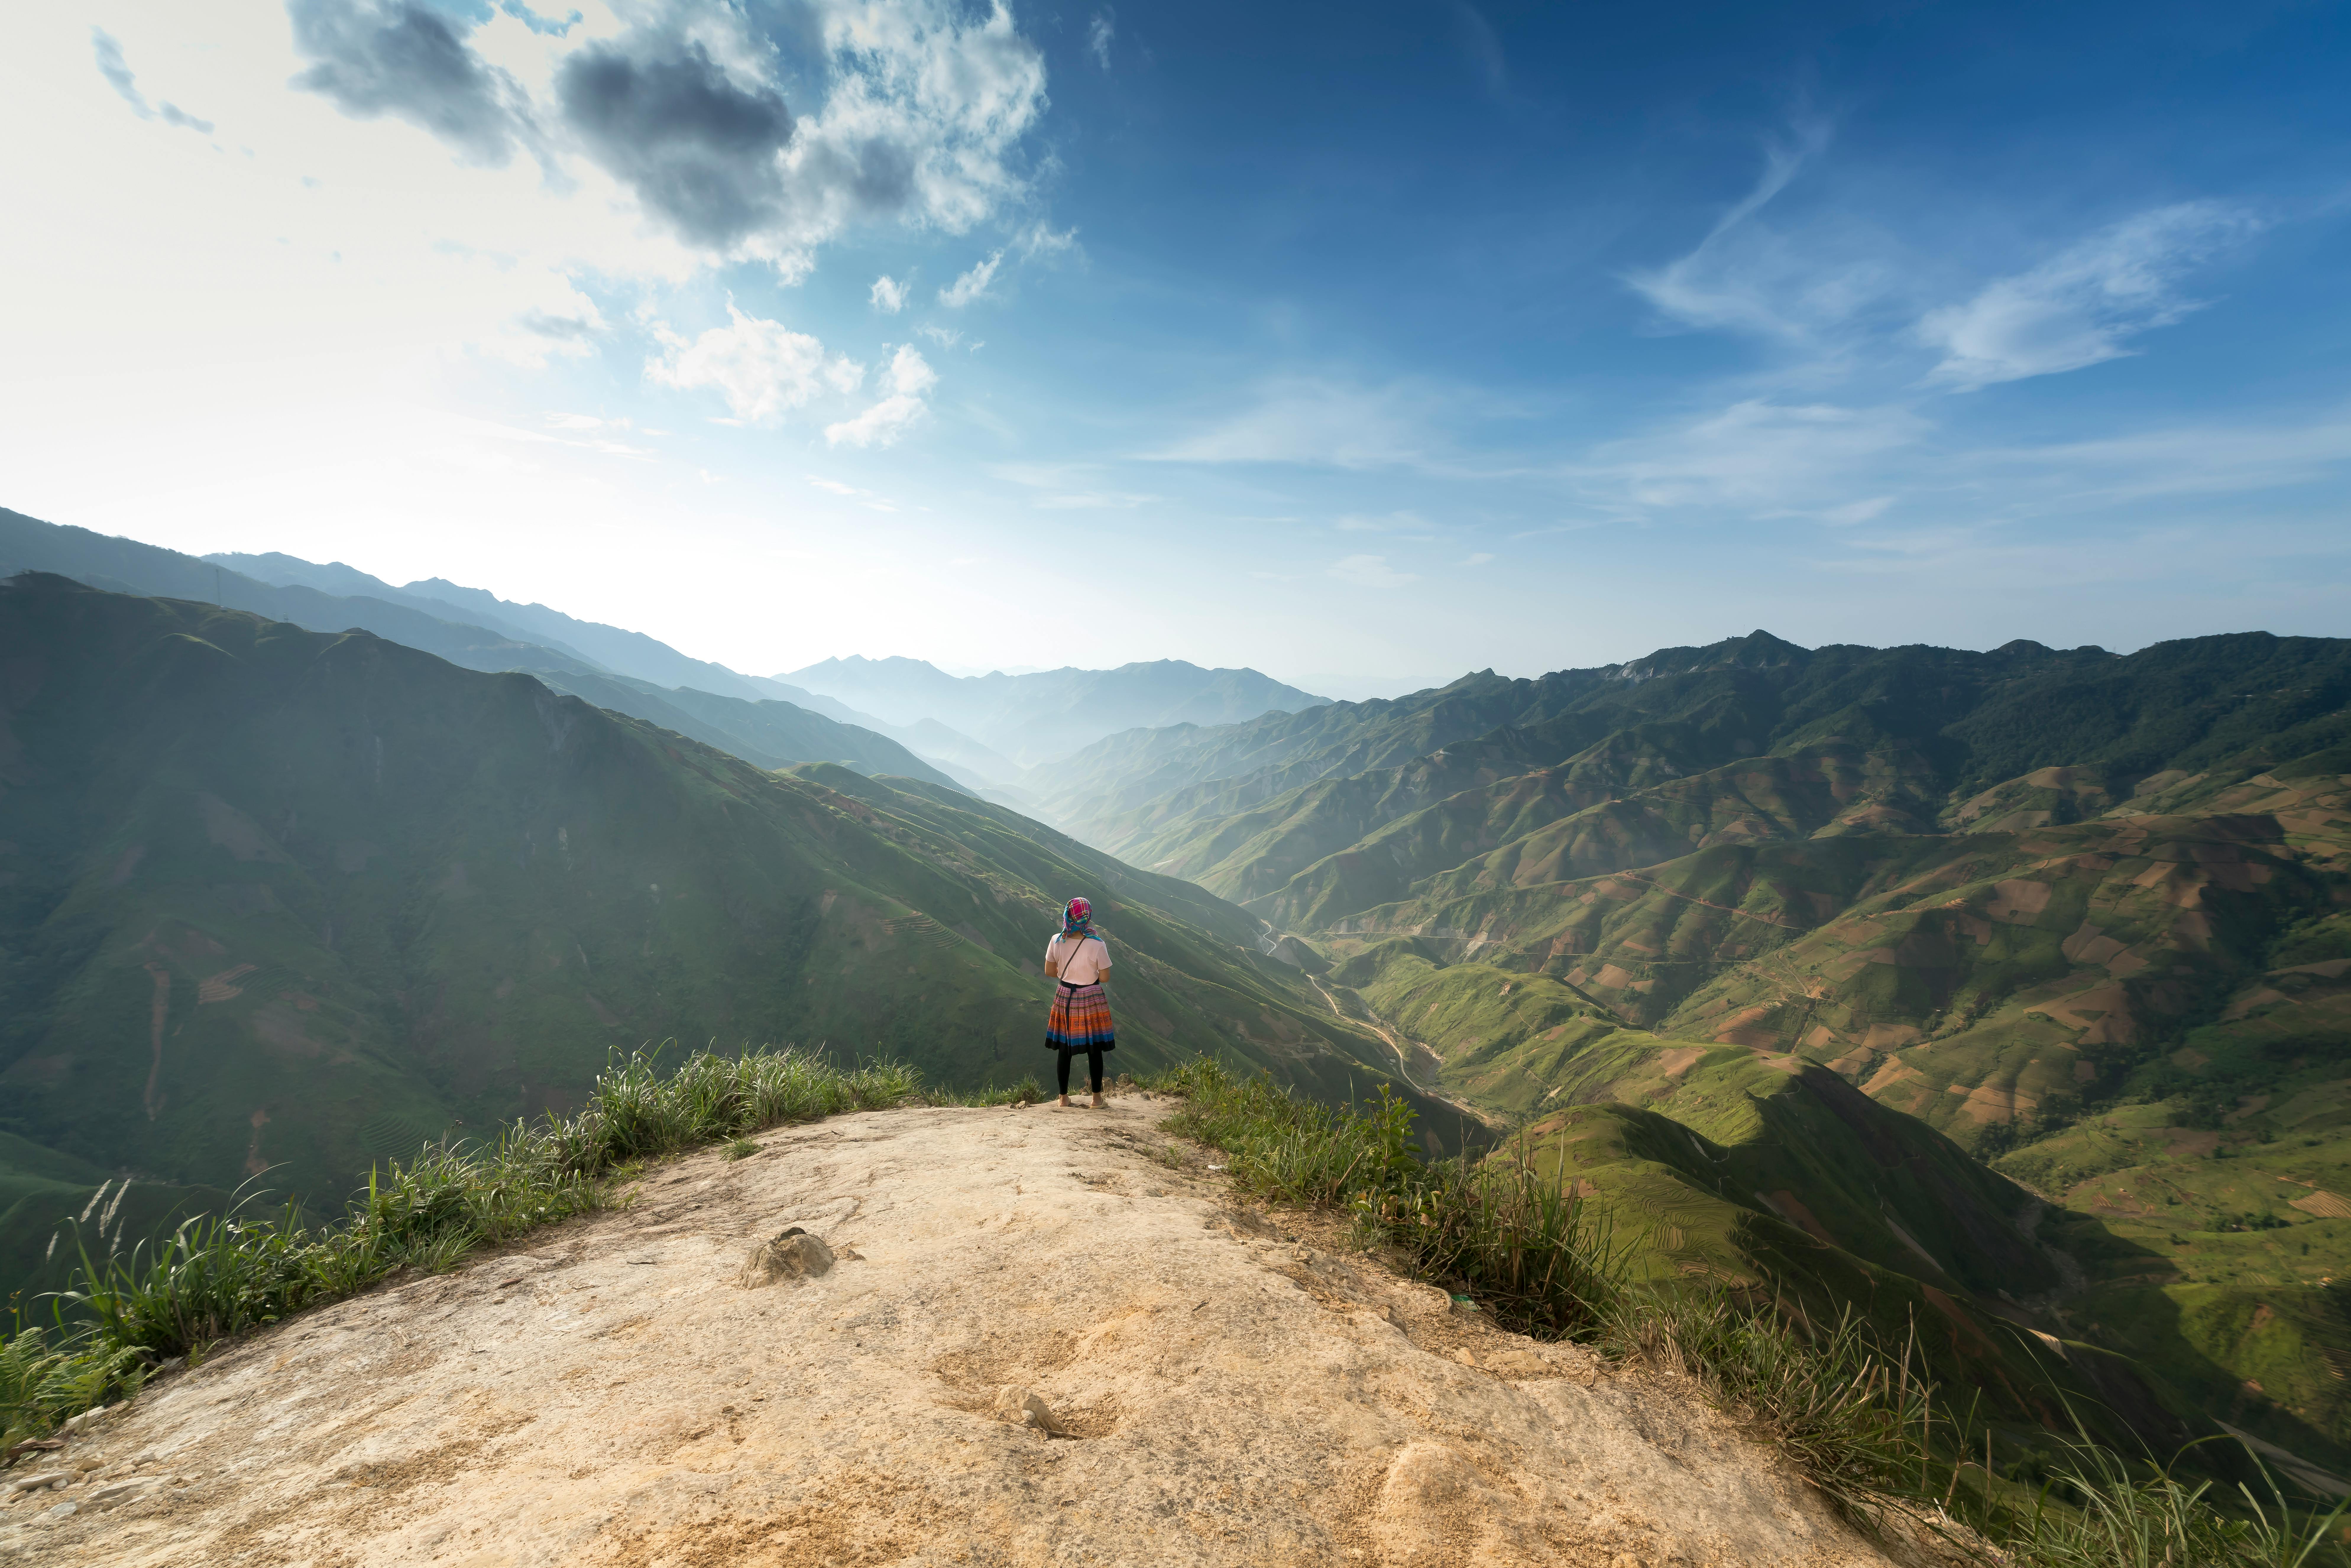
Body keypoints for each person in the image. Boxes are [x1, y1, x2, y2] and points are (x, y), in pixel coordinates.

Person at [1043, 896, 1115, 1108]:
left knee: (1065, 1049)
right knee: (1095, 1049)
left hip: (1065, 996)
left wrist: (1069, 973)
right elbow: (1105, 978)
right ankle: (1097, 1099)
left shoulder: (1057, 940)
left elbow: (1049, 971)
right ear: (1088, 917)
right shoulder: (1098, 944)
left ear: (1067, 915)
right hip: (1091, 998)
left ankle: (1063, 1098)